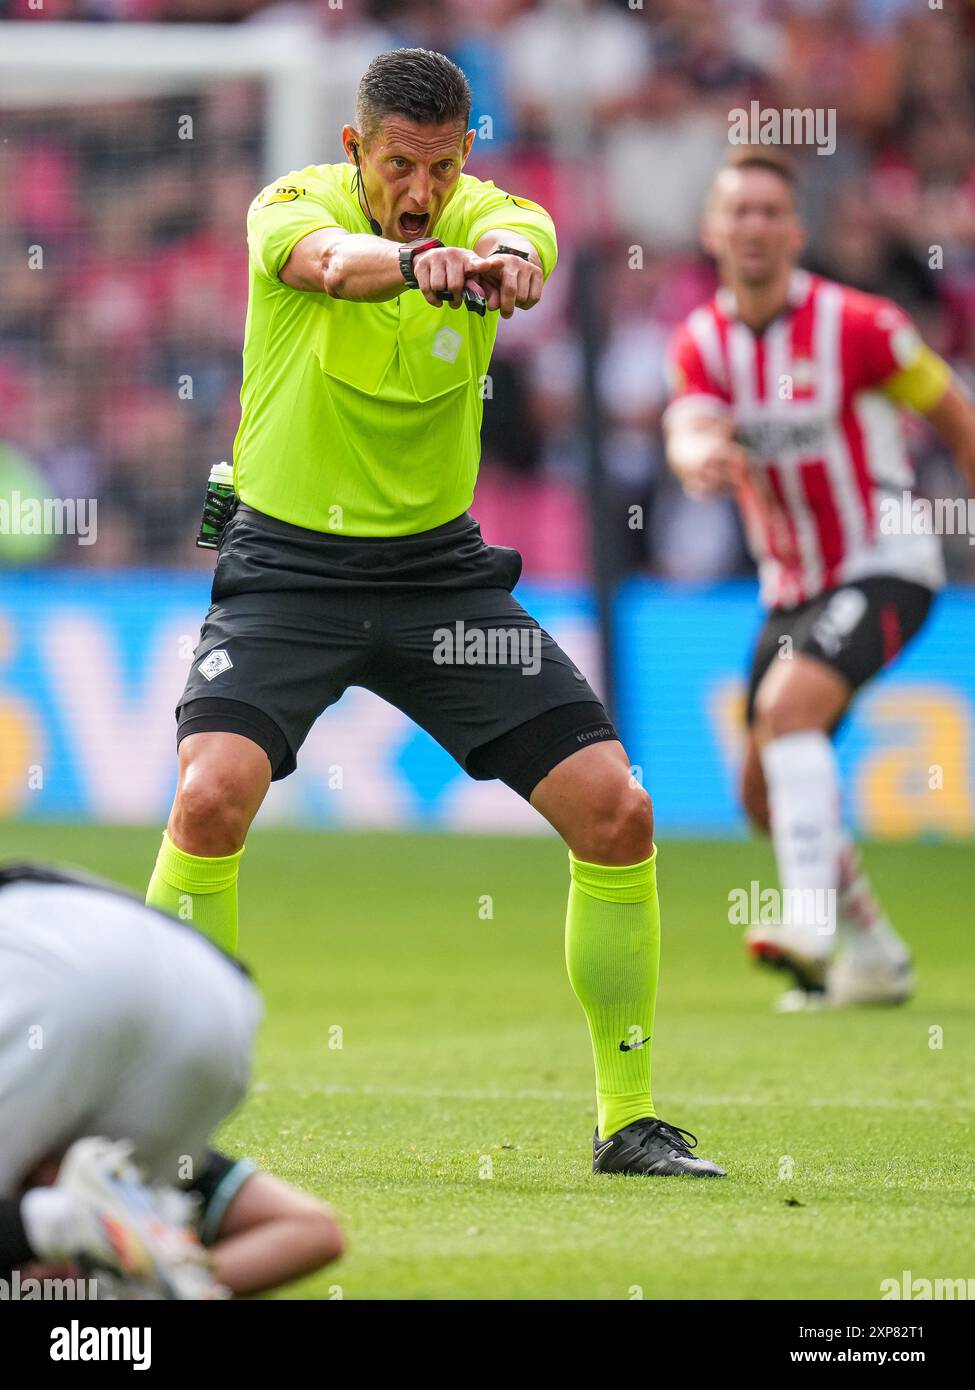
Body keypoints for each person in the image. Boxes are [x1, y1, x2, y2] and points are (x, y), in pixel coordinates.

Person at [145, 47, 723, 1178]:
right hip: (289, 571)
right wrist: (420, 269)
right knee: (209, 799)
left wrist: (499, 262)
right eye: (399, 166)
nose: (420, 192)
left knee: (619, 814)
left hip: (437, 581)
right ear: (358, 148)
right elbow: (328, 263)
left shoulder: (494, 213)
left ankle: (629, 1116)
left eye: (441, 168)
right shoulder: (293, 202)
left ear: (469, 156)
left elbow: (528, 249)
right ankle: (160, 1119)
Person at [665, 148, 975, 1009]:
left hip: (885, 562)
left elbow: (955, 416)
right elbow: (686, 427)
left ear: (795, 231)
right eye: (740, 211)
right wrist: (698, 458)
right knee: (761, 788)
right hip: (791, 587)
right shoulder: (699, 342)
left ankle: (807, 922)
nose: (756, 226)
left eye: (772, 211)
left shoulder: (863, 326)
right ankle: (875, 954)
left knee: (785, 711)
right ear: (713, 231)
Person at [0, 862, 342, 1297]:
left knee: (58, 1234)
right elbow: (309, 1229)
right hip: (217, 1000)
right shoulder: (103, 1159)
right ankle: (79, 1232)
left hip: (49, 965)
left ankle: (63, 1221)